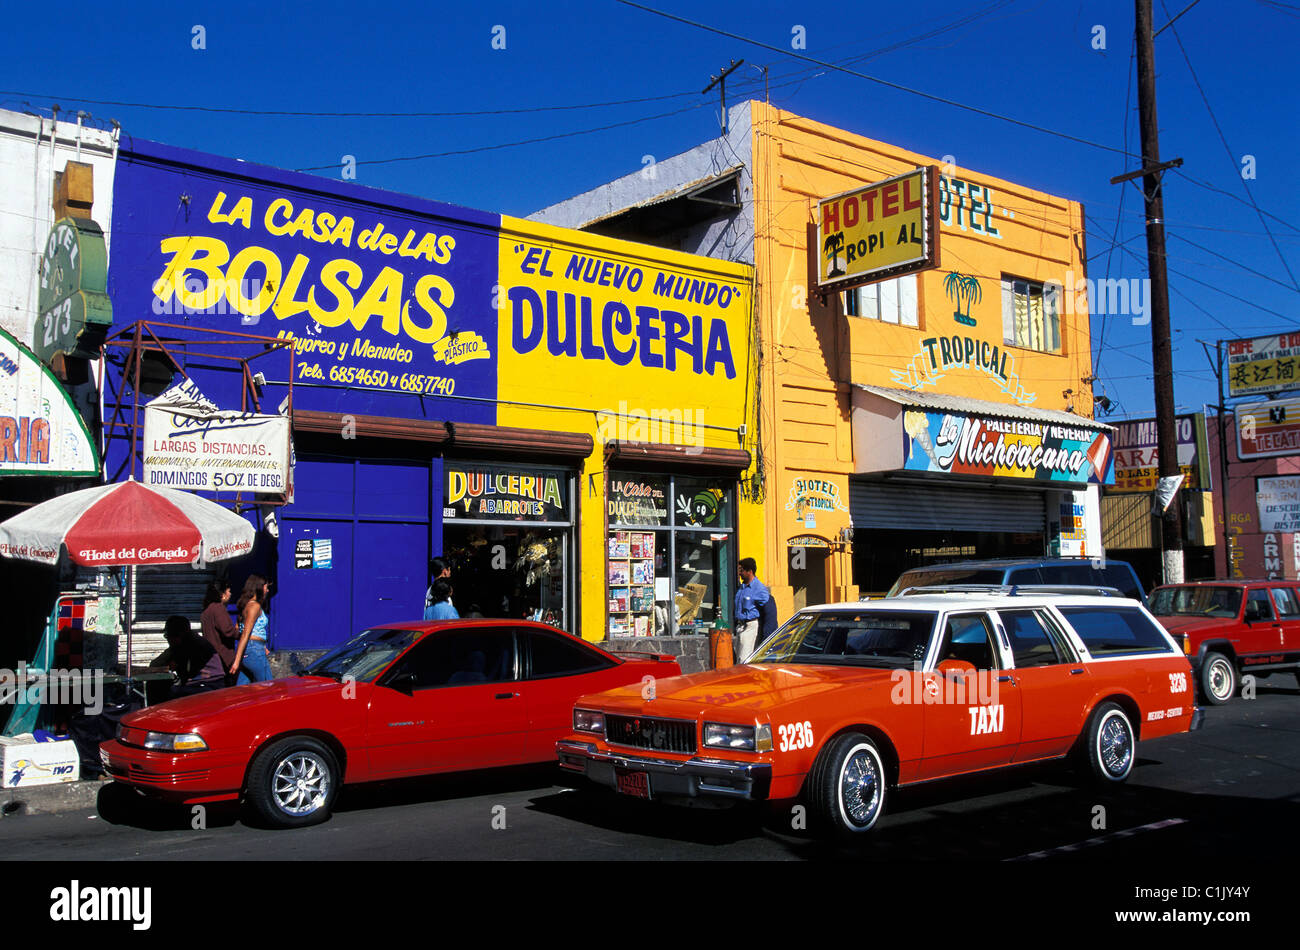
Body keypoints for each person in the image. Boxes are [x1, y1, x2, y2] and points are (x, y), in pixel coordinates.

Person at [152, 615, 225, 696]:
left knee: (173, 694)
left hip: (209, 684)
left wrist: (172, 665)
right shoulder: (178, 646)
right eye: (167, 636)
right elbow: (156, 663)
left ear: (180, 634)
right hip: (197, 684)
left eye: (169, 636)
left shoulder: (195, 645)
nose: (168, 640)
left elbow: (186, 671)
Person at [231, 575, 274, 683]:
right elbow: (246, 634)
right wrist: (236, 661)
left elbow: (238, 631)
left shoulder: (245, 606)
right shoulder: (254, 606)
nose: (267, 590)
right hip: (254, 651)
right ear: (259, 587)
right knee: (268, 687)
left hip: (249, 650)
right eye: (266, 587)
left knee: (242, 690)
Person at [200, 579, 238, 685]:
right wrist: (241, 634)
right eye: (229, 591)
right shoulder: (218, 608)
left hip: (213, 658)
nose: (230, 594)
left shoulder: (206, 610)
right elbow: (227, 631)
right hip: (223, 657)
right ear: (222, 594)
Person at [734, 557, 772, 662]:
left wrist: (767, 632)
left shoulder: (759, 588)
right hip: (740, 626)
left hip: (750, 626)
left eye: (741, 570)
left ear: (749, 571)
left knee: (744, 659)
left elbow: (769, 608)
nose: (739, 573)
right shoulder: (742, 587)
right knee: (738, 657)